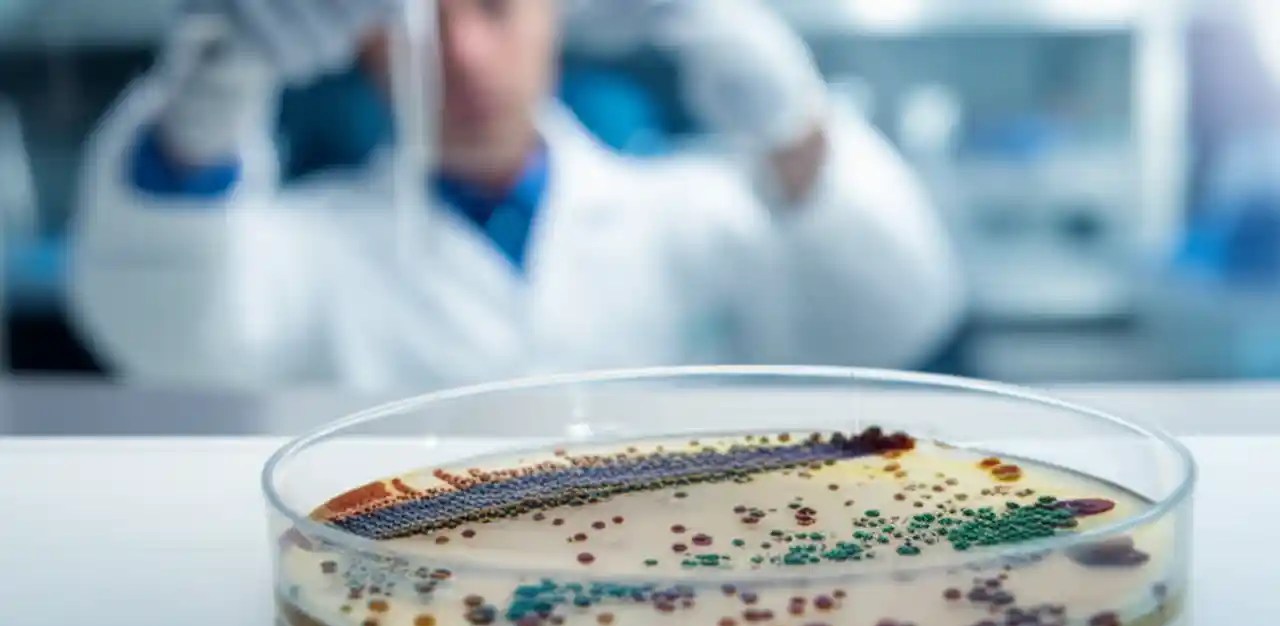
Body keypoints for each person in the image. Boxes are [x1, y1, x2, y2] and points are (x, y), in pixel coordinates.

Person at [70, 0, 963, 389]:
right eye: (421, 21)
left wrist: (787, 118)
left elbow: (896, 317)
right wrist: (208, 100)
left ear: (556, 19)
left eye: (495, 6)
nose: (461, 56)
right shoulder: (307, 248)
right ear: (360, 44)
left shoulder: (692, 212)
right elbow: (164, 345)